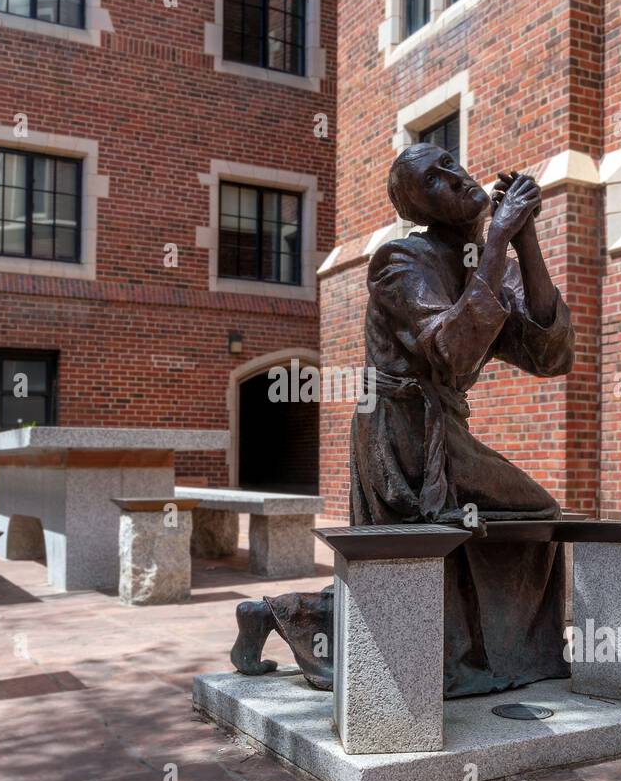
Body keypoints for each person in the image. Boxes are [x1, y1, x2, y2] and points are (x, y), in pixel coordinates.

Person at [231, 143, 575, 698]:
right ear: (419, 209)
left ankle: (285, 614)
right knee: (411, 552)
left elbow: (549, 356)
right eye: (434, 178)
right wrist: (499, 243)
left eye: (453, 164)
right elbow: (451, 350)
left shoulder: (491, 260)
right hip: (398, 432)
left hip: (444, 426)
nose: (457, 177)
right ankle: (443, 657)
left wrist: (526, 240)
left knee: (490, 528)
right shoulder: (400, 262)